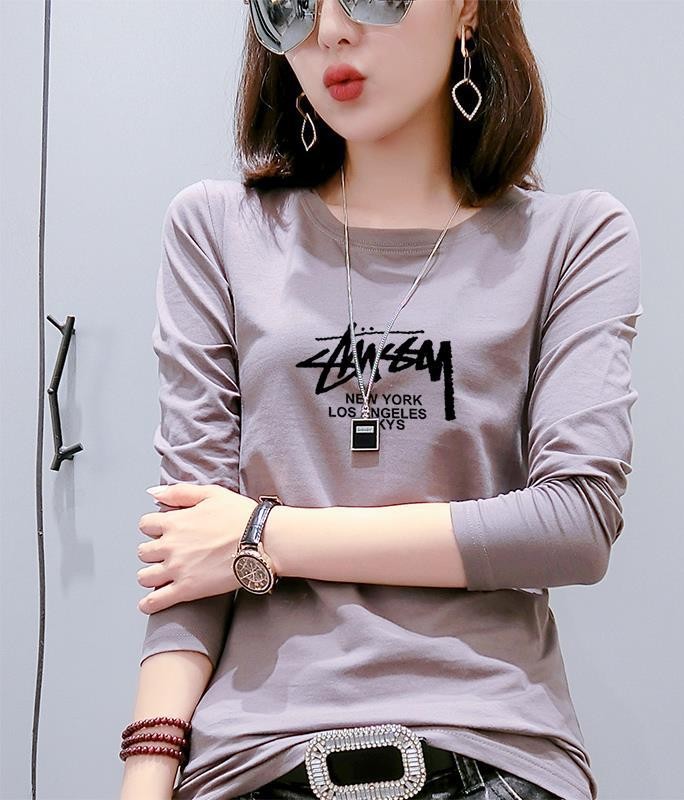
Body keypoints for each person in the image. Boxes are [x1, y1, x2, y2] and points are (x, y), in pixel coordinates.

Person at [119, 0, 643, 798]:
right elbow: (191, 553)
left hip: (493, 756)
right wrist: (147, 771)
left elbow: (574, 524)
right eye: (292, 7)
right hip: (254, 764)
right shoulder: (217, 231)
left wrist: (263, 535)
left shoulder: (574, 239)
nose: (330, 30)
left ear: (467, 10)